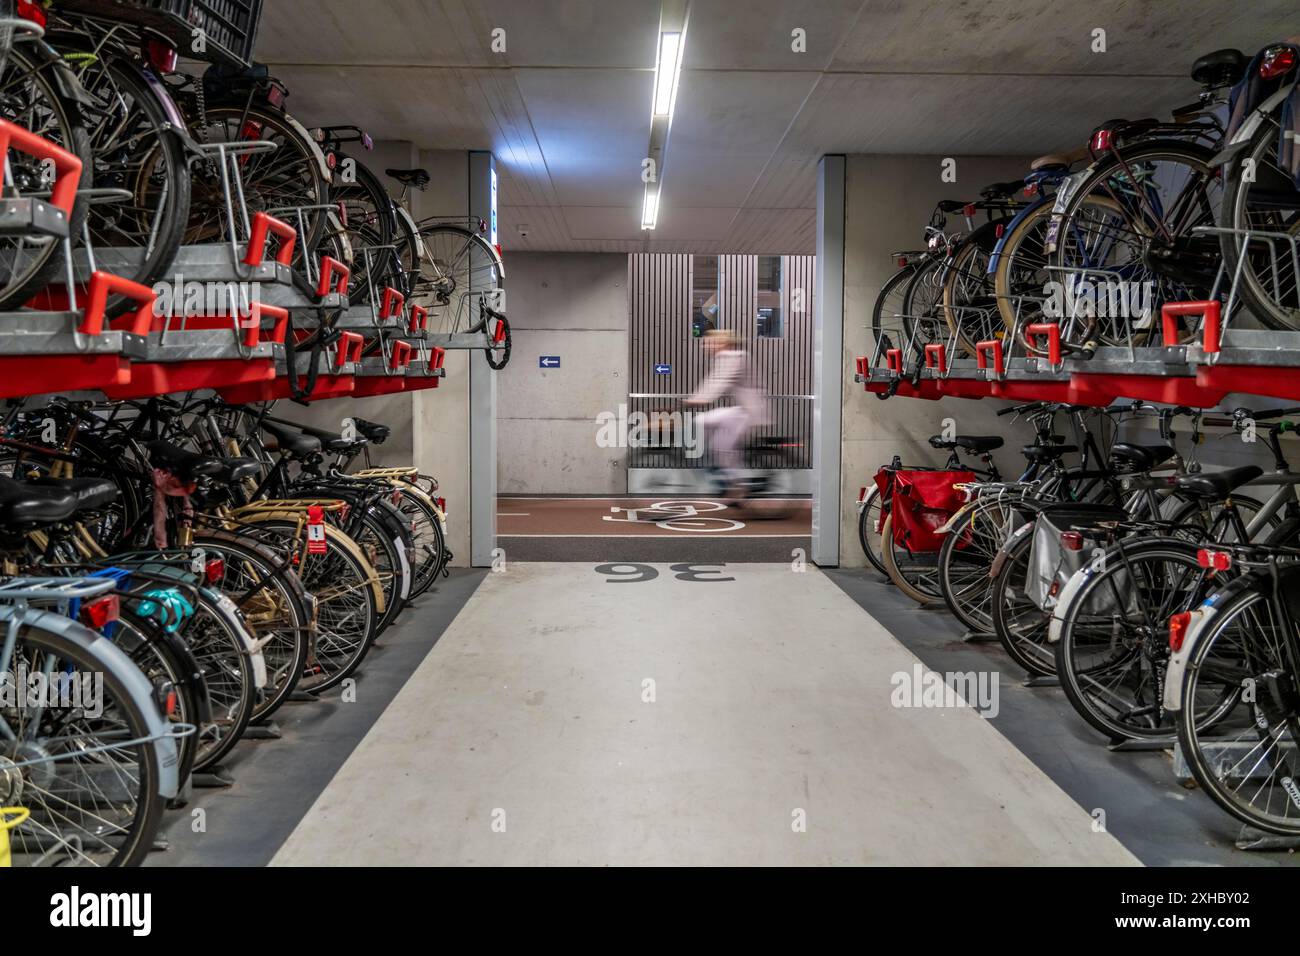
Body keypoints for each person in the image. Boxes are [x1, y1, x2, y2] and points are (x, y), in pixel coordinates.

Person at [684, 328, 767, 501]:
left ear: (720, 342)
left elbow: (721, 381)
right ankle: (719, 469)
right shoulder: (724, 357)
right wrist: (696, 398)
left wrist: (700, 399)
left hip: (750, 412)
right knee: (700, 420)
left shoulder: (737, 356)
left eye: (707, 343)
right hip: (740, 410)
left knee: (721, 446)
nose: (705, 347)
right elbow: (713, 380)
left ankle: (740, 484)